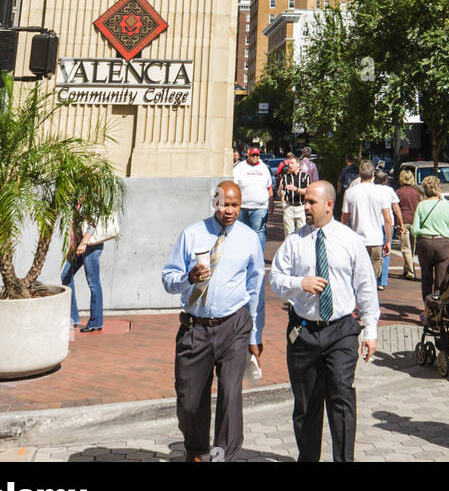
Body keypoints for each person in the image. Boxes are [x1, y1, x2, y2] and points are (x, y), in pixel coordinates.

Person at [270, 179, 379, 462]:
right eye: (305, 202)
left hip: (340, 331)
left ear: (329, 205)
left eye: (311, 202)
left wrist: (371, 329)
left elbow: (365, 285)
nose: (305, 207)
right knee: (306, 405)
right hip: (304, 333)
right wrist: (299, 282)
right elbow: (276, 281)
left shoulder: (351, 241)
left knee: (341, 397)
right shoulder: (294, 242)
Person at [162, 180, 265, 462]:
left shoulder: (249, 238)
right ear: (214, 202)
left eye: (235, 205)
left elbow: (255, 288)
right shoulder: (192, 234)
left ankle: (222, 456)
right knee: (189, 401)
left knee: (230, 397)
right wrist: (188, 278)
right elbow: (168, 279)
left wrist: (255, 334)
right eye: (224, 204)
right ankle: (196, 450)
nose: (229, 211)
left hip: (234, 326)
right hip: (195, 329)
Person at [61, 209, 116, 333]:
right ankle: (73, 318)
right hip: (80, 244)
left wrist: (84, 243)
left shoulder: (91, 195)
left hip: (90, 245)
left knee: (93, 282)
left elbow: (93, 223)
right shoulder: (78, 199)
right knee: (66, 275)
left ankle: (95, 322)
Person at [342, 159, 393, 279]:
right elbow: (388, 219)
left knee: (358, 275)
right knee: (373, 276)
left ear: (359, 175)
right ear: (373, 175)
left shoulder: (350, 193)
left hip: (357, 240)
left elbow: (344, 219)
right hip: (376, 239)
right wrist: (388, 241)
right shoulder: (381, 192)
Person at [411, 175, 449, 304]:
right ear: (438, 189)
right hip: (442, 243)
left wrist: (423, 233)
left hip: (424, 242)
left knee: (426, 278)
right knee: (441, 279)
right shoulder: (446, 206)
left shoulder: (421, 206)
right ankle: (438, 306)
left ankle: (426, 309)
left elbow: (415, 228)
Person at [233, 145, 273, 245]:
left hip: (260, 207)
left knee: (259, 232)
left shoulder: (264, 168)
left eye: (257, 155)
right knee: (241, 233)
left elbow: (269, 187)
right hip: (242, 207)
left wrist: (271, 203)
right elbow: (234, 185)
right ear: (248, 155)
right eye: (253, 155)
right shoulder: (240, 167)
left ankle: (258, 258)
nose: (255, 157)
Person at [373, 171, 404, 288]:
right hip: (387, 223)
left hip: (374, 222)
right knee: (386, 252)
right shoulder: (389, 191)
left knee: (373, 251)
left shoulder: (371, 190)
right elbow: (396, 208)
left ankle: (373, 279)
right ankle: (382, 282)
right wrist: (400, 223)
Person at [395, 169, 421, 279]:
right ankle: (407, 269)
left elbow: (396, 209)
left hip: (403, 221)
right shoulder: (417, 193)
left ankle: (410, 271)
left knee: (406, 249)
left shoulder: (399, 192)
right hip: (414, 222)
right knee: (412, 248)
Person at [279, 152, 310, 236]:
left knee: (302, 233)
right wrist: (281, 196)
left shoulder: (305, 176)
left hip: (301, 207)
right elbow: (281, 193)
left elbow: (308, 191)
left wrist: (296, 189)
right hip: (289, 207)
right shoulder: (286, 177)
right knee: (289, 234)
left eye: (292, 163)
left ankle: (301, 249)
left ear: (298, 164)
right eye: (289, 163)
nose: (290, 165)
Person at [335, 153, 359, 219]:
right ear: (353, 160)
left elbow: (340, 181)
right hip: (356, 189)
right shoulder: (357, 169)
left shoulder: (345, 170)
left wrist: (338, 190)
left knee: (345, 207)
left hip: (346, 190)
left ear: (346, 160)